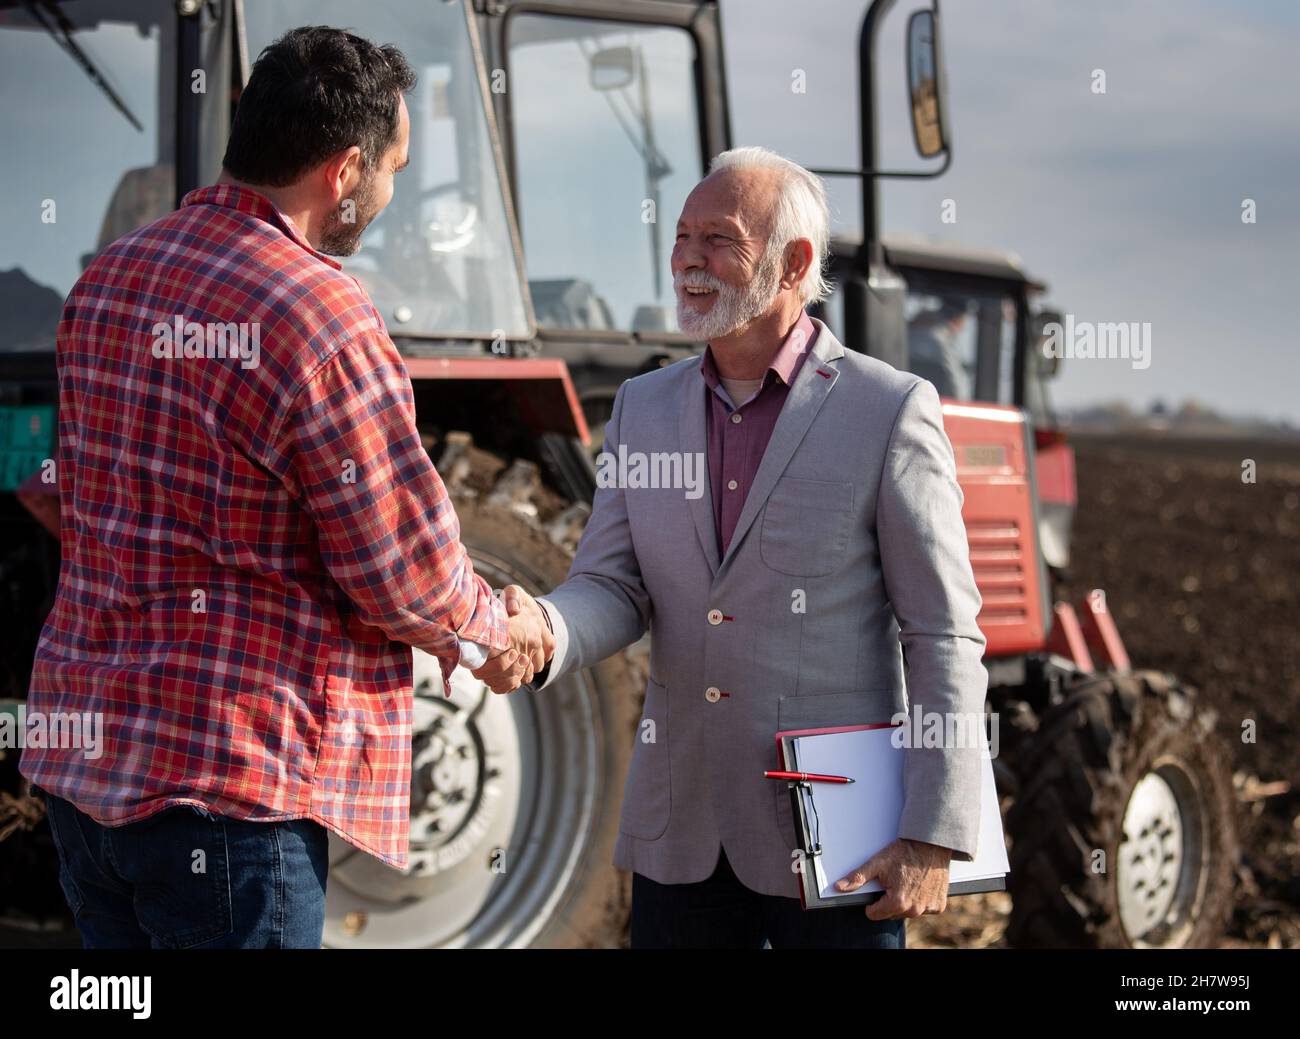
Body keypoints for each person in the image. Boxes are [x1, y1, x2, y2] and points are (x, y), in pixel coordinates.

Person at [20, 26, 551, 949]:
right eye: (395, 168)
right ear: (345, 171)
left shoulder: (103, 285)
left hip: (89, 778)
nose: (390, 191)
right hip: (232, 800)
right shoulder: (320, 315)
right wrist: (502, 632)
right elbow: (400, 570)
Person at [487, 146, 988, 948]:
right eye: (683, 234)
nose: (688, 255)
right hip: (680, 833)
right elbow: (614, 585)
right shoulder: (643, 409)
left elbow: (942, 636)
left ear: (793, 264)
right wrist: (546, 627)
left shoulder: (888, 410)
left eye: (718, 238)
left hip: (840, 842)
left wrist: (934, 829)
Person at [907, 295, 971, 399]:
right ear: (957, 320)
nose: (963, 329)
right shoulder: (940, 342)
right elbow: (957, 390)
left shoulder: (905, 332)